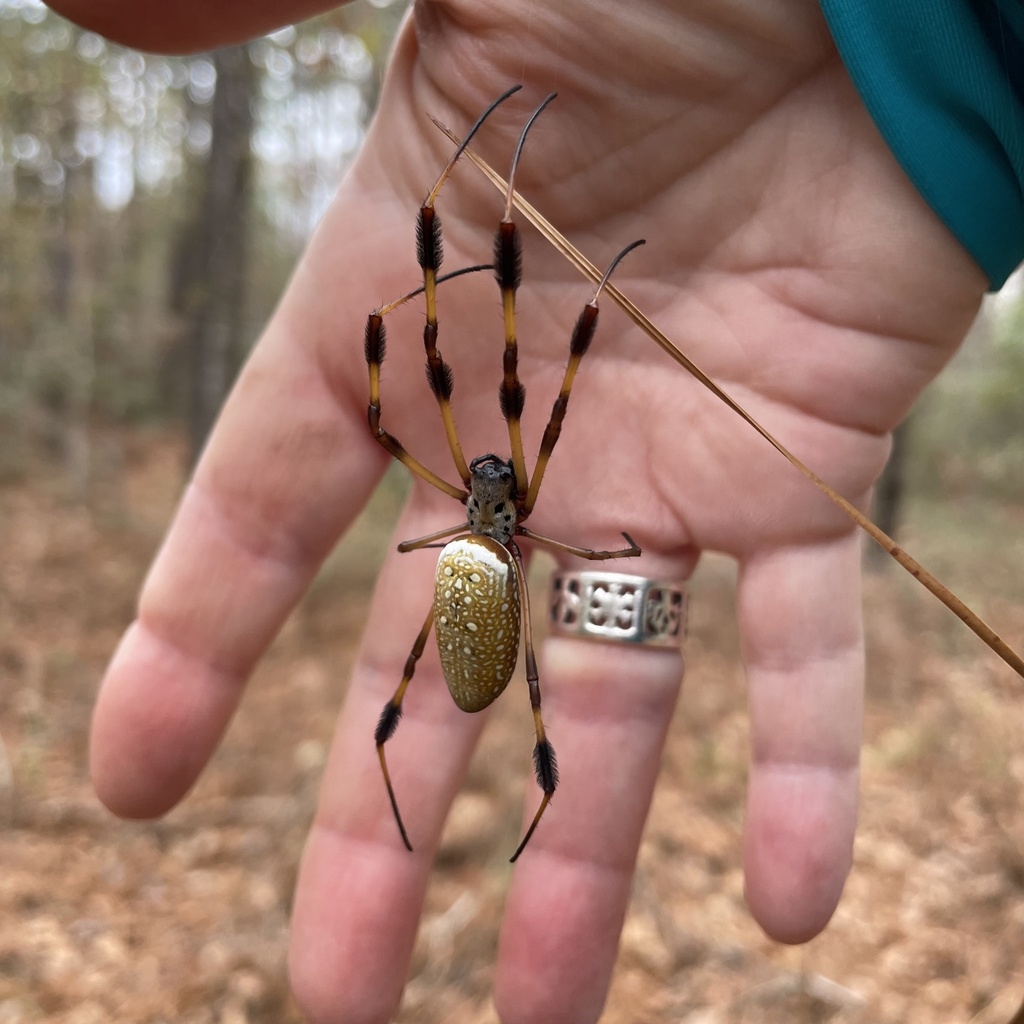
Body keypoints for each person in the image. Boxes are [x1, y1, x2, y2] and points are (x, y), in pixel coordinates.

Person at [43, 1, 1024, 1022]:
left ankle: (517, 800)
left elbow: (506, 393)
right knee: (483, 681)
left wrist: (535, 297)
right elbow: (518, 404)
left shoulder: (476, 514)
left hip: (472, 571)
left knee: (452, 690)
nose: (496, 479)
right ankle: (502, 799)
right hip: (485, 573)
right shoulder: (515, 505)